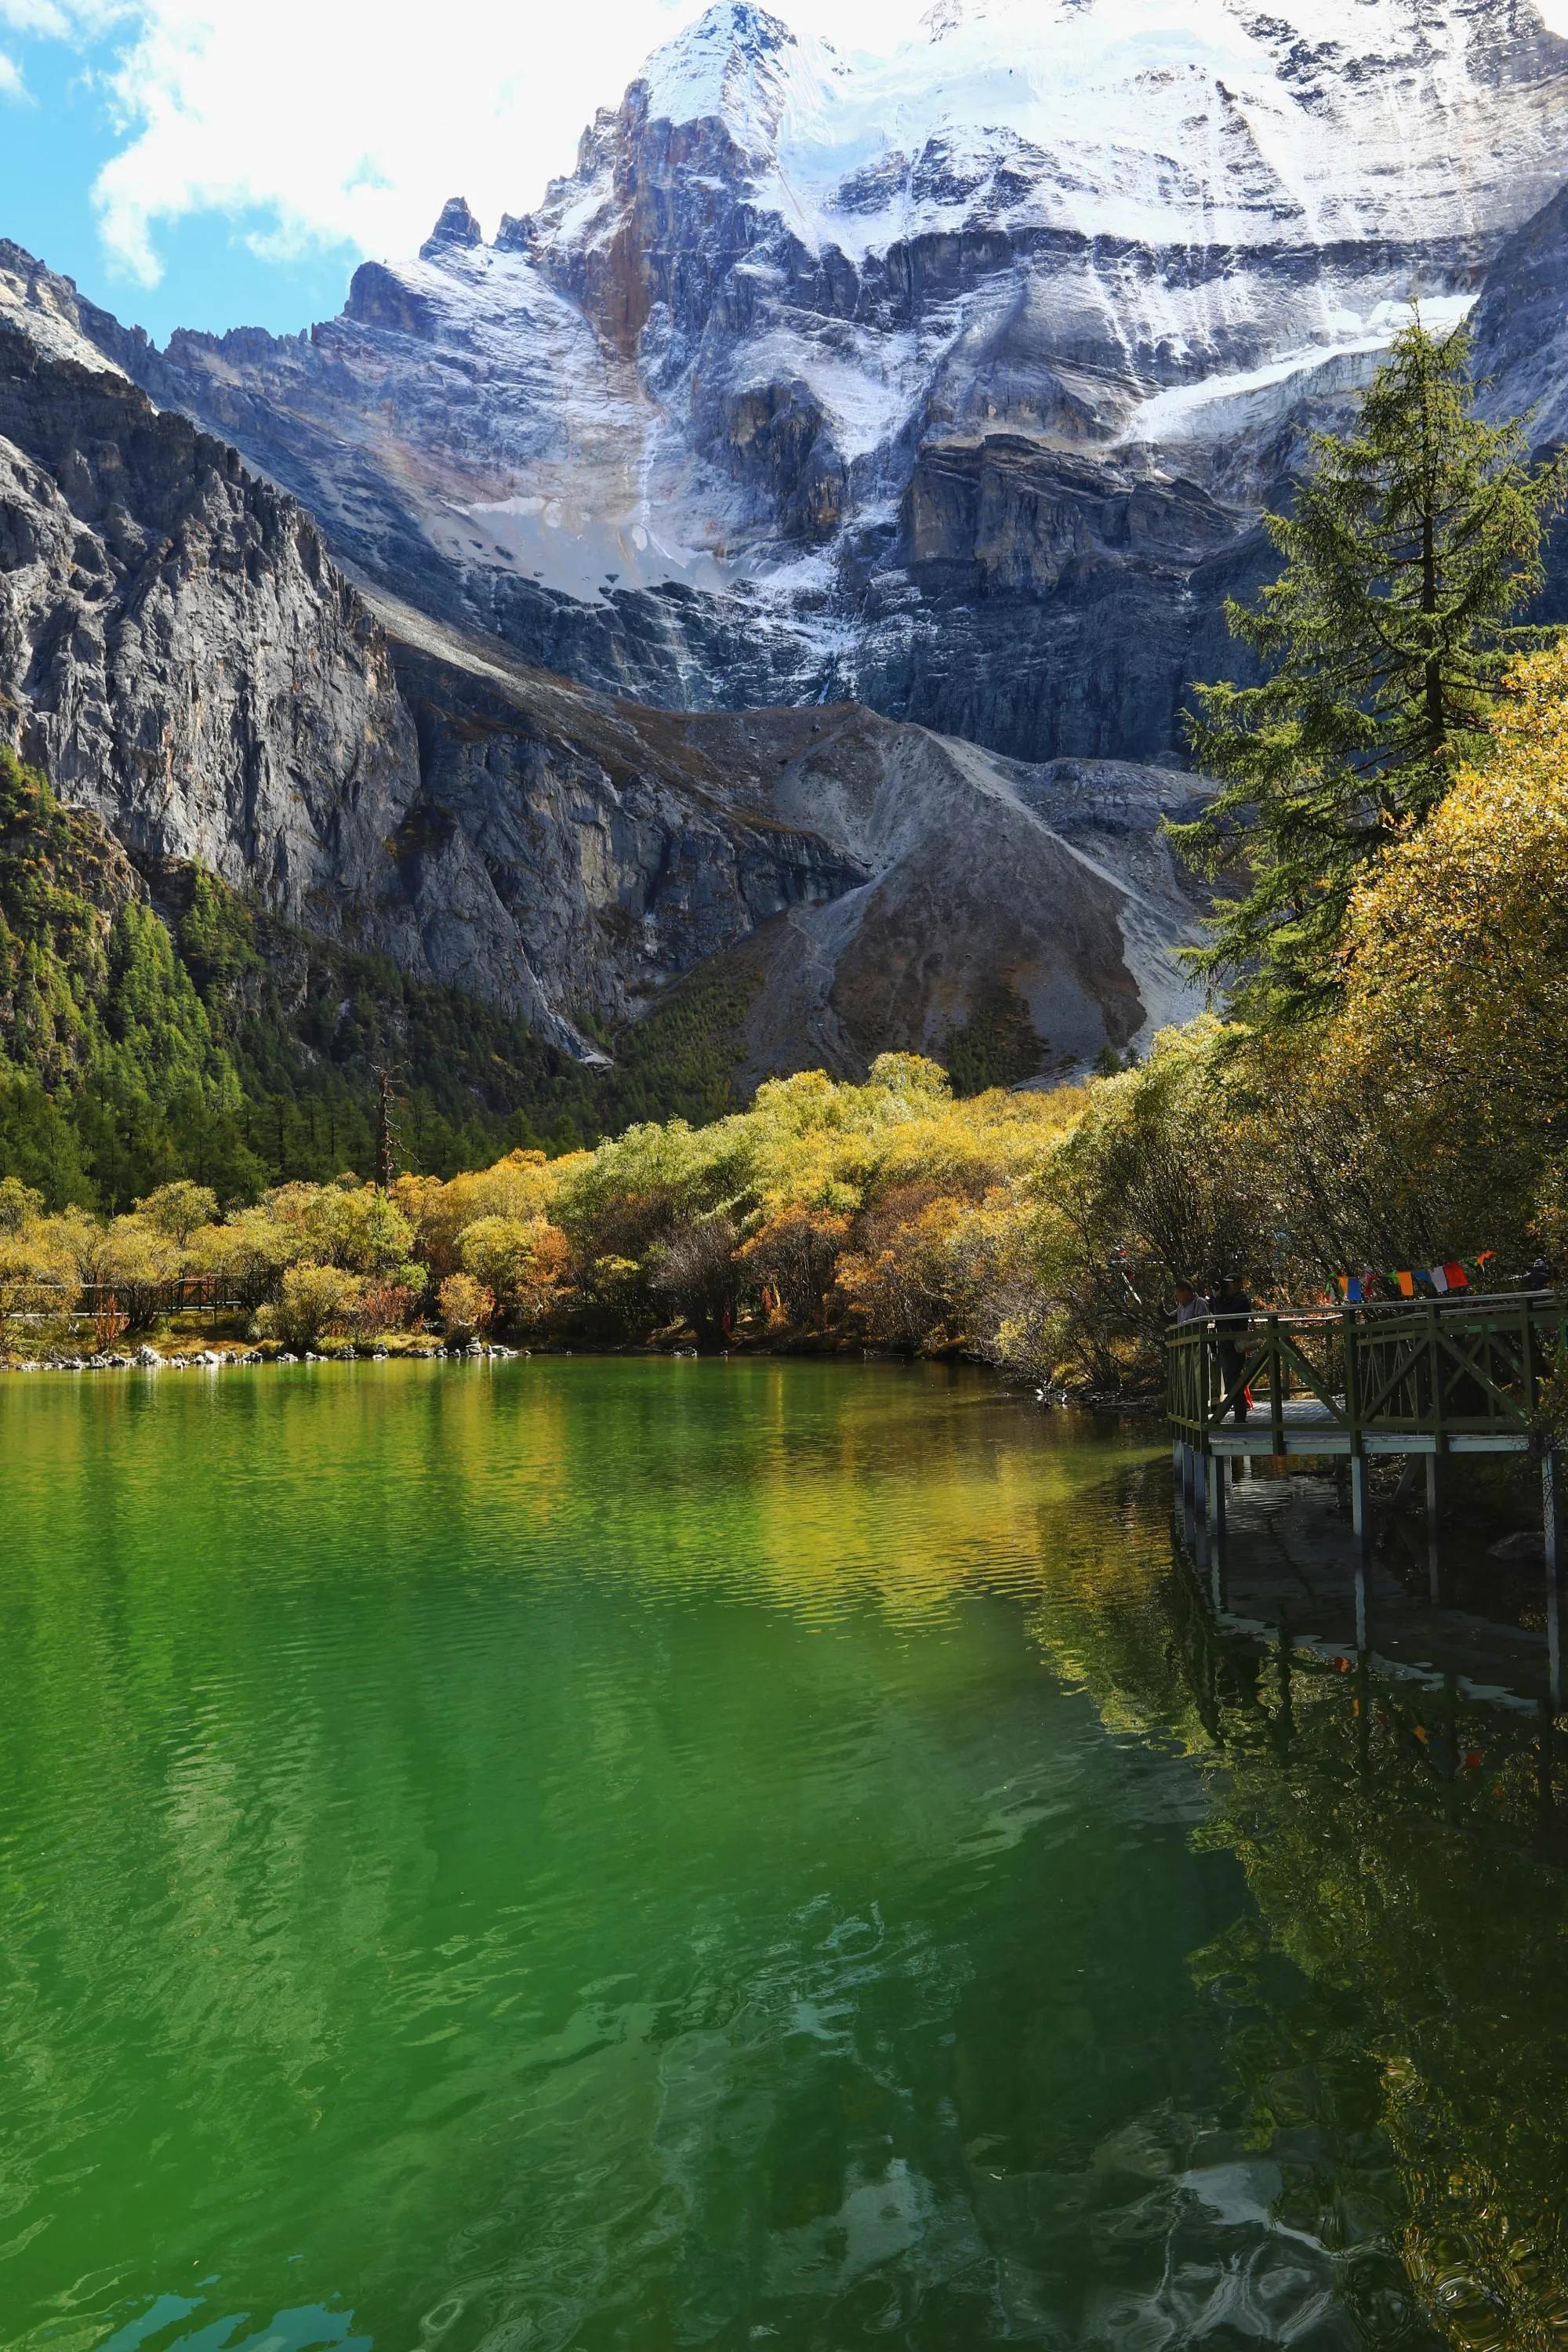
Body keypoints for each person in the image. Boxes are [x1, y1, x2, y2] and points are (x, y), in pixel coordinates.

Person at [1212, 1272, 1254, 1424]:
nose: (1226, 1286)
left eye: (1229, 1283)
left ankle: (1240, 1417)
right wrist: (1216, 1297)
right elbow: (1216, 1312)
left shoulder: (1241, 1300)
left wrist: (1218, 1299)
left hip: (1235, 1346)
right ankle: (1239, 1416)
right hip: (1225, 1345)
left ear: (1237, 1284)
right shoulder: (1225, 1300)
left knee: (1234, 1380)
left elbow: (1226, 1314)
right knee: (1231, 1382)